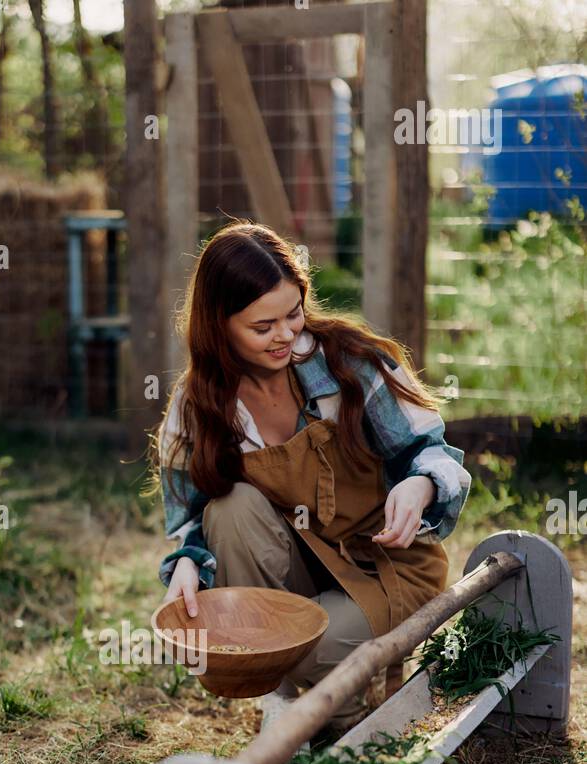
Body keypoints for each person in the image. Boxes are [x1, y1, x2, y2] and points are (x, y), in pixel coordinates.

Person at [154, 222, 471, 735]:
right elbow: (191, 518)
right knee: (229, 508)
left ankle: (346, 722)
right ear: (219, 325)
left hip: (385, 568)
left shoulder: (351, 364)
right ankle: (286, 701)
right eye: (263, 326)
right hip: (303, 565)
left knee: (302, 653)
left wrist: (422, 484)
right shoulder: (198, 406)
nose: (285, 335)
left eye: (294, 313)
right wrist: (189, 563)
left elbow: (435, 454)